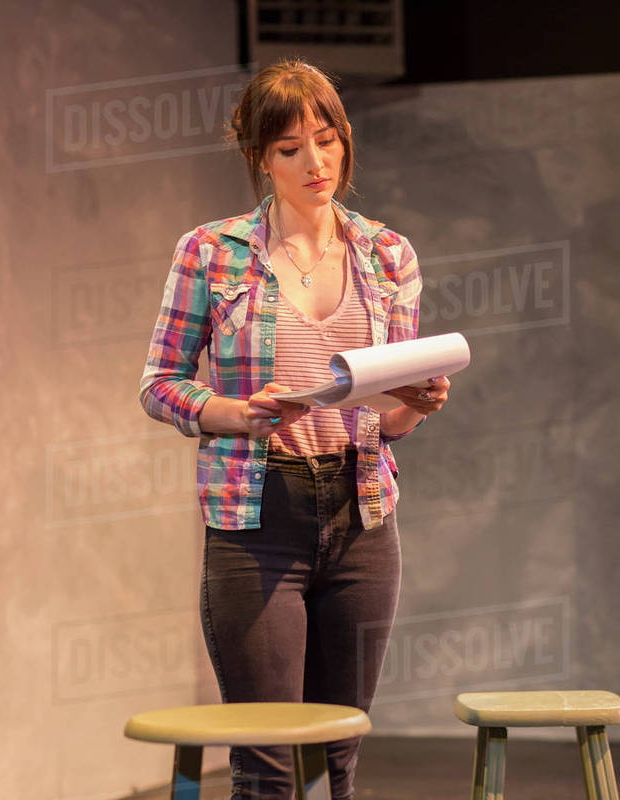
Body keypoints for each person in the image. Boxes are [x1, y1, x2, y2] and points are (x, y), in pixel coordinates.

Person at [137, 58, 451, 799]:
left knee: (335, 761)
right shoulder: (211, 252)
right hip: (257, 517)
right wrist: (237, 414)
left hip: (362, 515)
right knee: (270, 766)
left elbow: (387, 418)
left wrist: (418, 403)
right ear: (260, 158)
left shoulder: (388, 255)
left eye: (328, 139)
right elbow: (159, 384)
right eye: (291, 148)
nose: (316, 162)